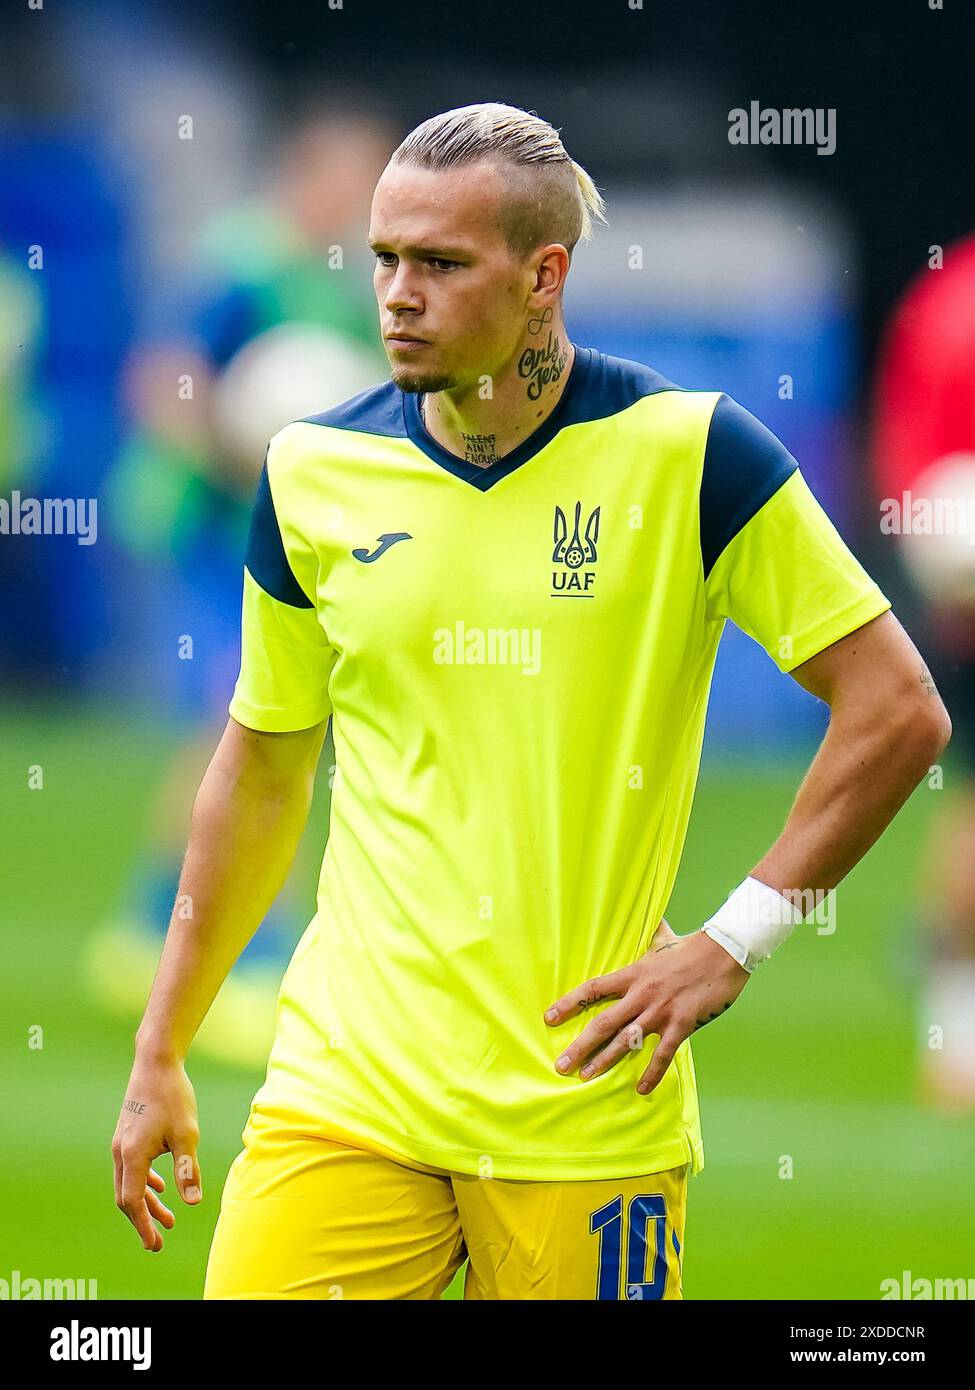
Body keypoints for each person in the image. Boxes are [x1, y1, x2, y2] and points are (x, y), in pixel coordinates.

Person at [113, 103, 950, 1300]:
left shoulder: (694, 456)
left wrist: (735, 941)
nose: (397, 295)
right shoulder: (310, 472)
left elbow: (898, 709)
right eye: (384, 258)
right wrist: (161, 1045)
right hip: (344, 1091)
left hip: (586, 1106)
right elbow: (260, 771)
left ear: (544, 275)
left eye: (441, 264)